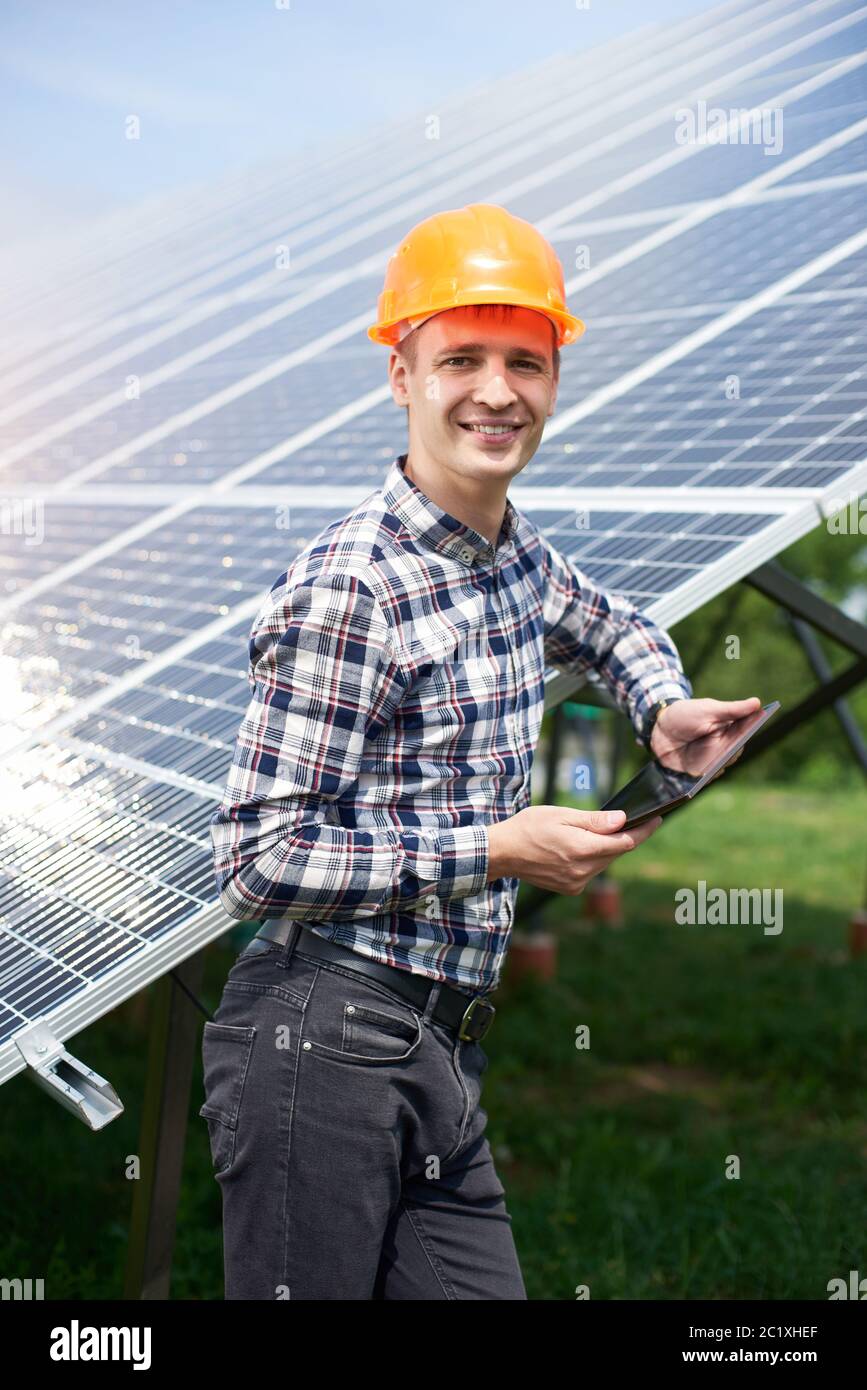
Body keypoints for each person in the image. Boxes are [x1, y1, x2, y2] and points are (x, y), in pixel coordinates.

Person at [200, 202, 760, 1300]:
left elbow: (613, 625)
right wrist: (494, 849)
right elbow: (257, 858)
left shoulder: (511, 556)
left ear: (555, 377)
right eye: (461, 358)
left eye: (526, 361)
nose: (497, 391)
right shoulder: (351, 588)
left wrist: (662, 706)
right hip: (322, 1037)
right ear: (401, 375)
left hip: (442, 1047)